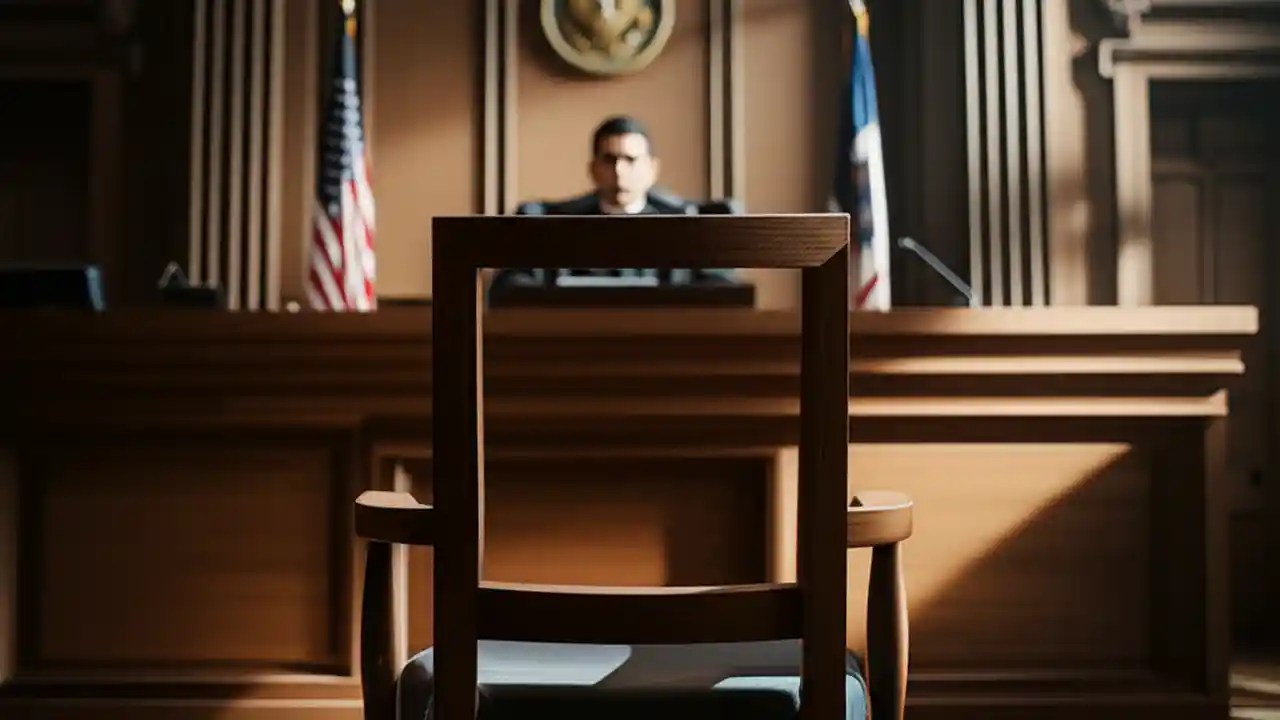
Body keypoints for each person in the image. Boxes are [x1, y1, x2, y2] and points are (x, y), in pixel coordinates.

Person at [488, 116, 738, 302]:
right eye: (609, 160)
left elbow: (722, 290)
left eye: (630, 160)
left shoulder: (687, 226)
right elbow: (509, 287)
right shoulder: (556, 225)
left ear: (652, 169)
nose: (619, 171)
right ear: (593, 169)